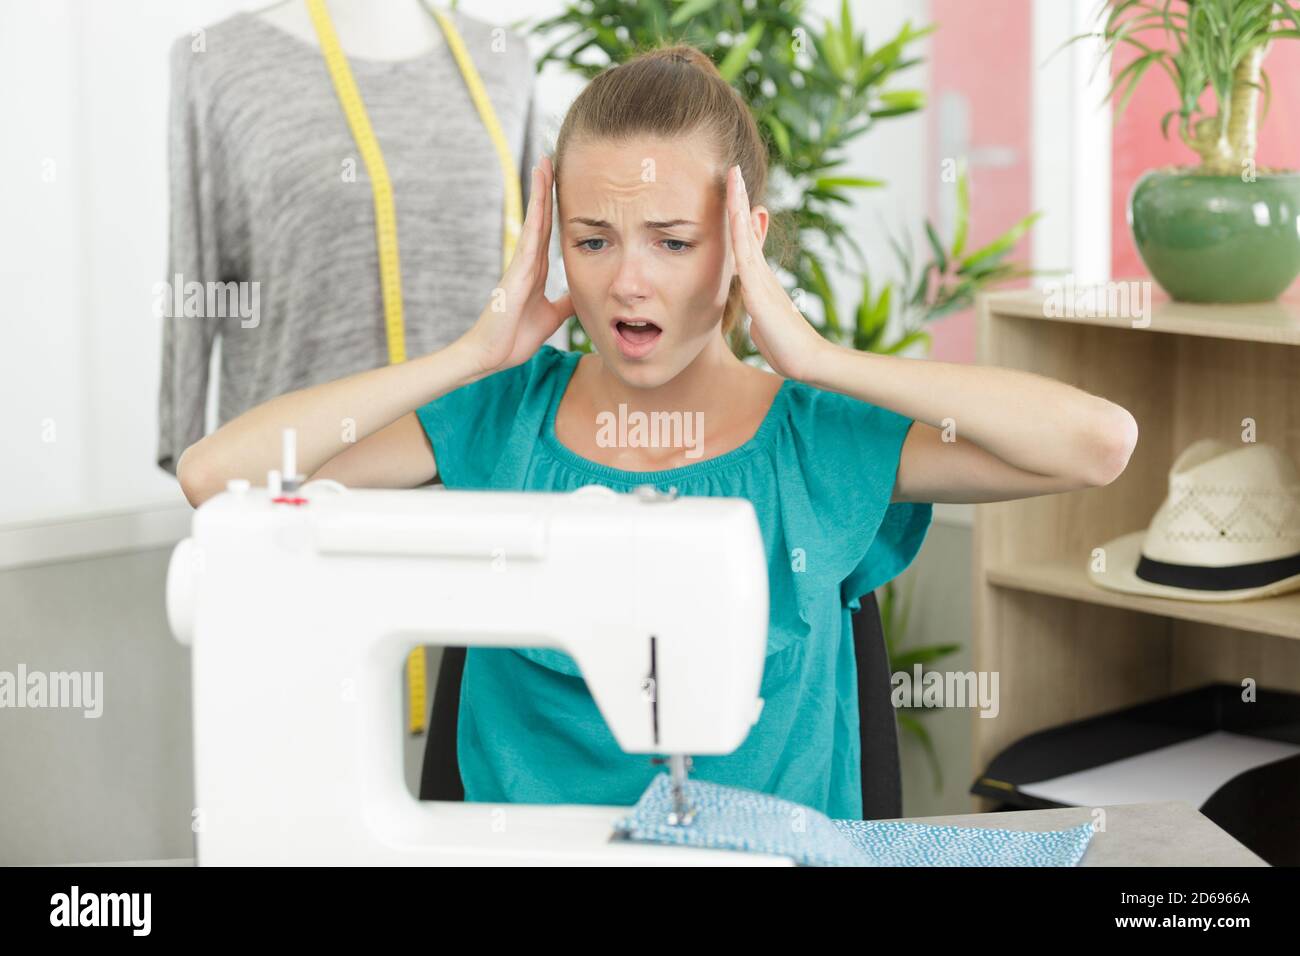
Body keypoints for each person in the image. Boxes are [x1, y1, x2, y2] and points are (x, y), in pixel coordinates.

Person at [177, 45, 1137, 819]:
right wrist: (471, 354)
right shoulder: (499, 416)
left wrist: (817, 357)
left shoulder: (815, 436)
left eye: (673, 243)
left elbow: (1098, 444)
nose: (626, 280)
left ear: (744, 243)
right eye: (593, 239)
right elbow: (215, 476)